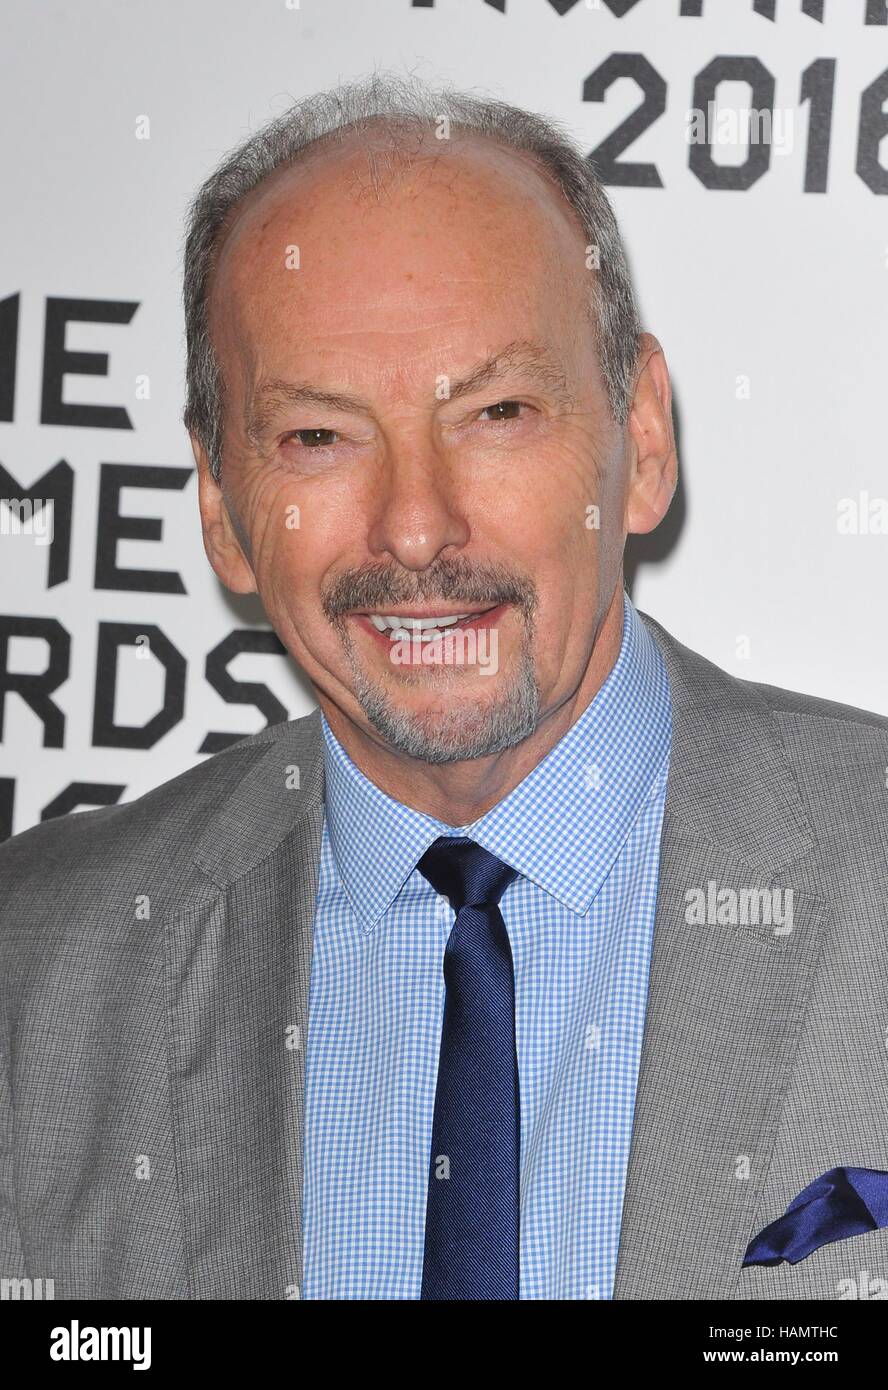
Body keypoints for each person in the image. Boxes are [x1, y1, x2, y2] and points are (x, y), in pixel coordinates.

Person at [2, 73, 887, 1302]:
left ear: (640, 442)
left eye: (497, 411)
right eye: (319, 434)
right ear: (222, 510)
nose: (415, 529)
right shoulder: (31, 973)